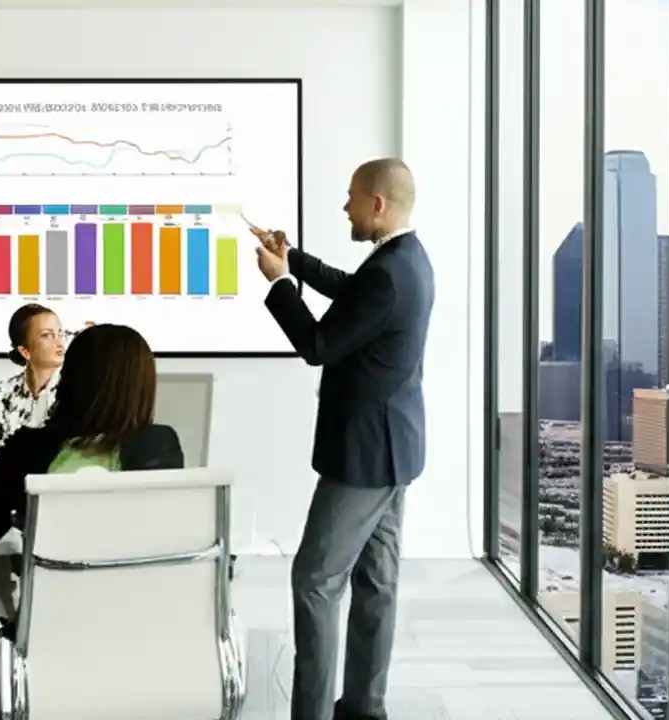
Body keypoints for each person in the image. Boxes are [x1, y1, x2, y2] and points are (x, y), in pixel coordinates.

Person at [251, 158, 434, 720]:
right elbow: (354, 292)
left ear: (377, 204)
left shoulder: (387, 272)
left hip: (362, 457)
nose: (345, 206)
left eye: (352, 197)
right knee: (376, 584)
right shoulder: (407, 259)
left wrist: (280, 282)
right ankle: (363, 708)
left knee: (314, 581)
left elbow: (318, 344)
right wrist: (295, 258)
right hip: (394, 449)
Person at [0, 323, 183, 546]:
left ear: (70, 380)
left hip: (50, 585)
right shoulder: (161, 445)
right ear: (142, 386)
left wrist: (19, 518)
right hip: (141, 584)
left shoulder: (29, 449)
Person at [0, 303, 67, 467]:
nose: (59, 342)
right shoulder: (3, 393)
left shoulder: (72, 389)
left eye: (60, 333)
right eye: (47, 335)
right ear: (25, 351)